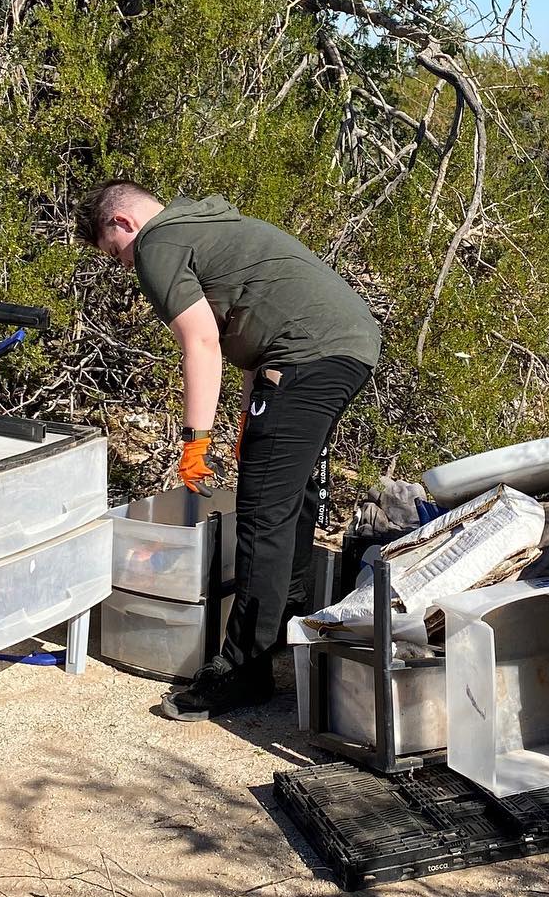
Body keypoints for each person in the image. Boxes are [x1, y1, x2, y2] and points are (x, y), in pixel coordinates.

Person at [81, 180, 380, 720]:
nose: (125, 266)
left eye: (114, 253)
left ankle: (243, 669)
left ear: (123, 223)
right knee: (286, 496)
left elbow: (200, 344)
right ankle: (287, 624)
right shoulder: (208, 228)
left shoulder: (157, 244)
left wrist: (195, 443)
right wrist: (246, 424)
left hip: (307, 356)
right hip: (343, 346)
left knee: (262, 512)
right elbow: (251, 345)